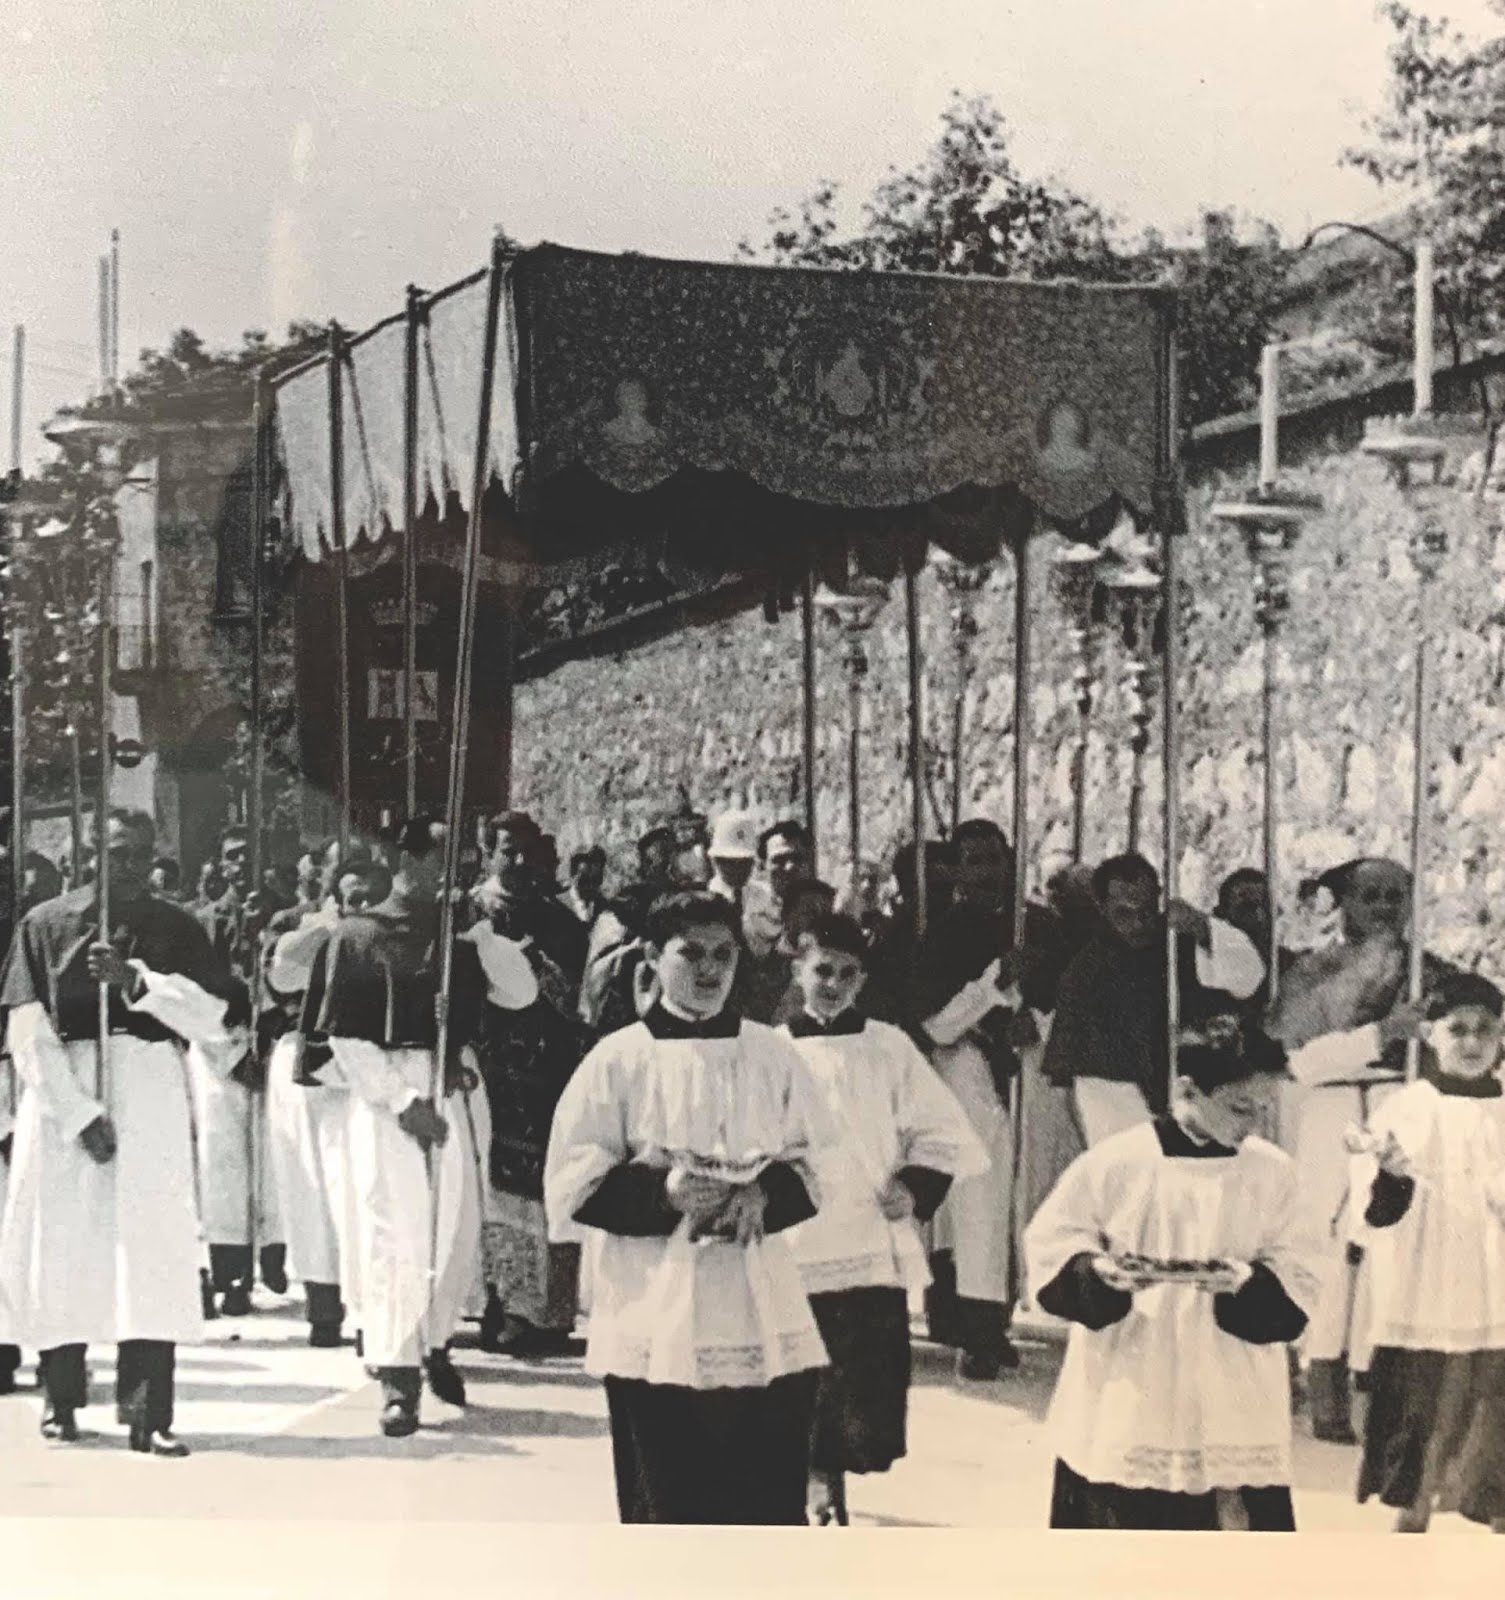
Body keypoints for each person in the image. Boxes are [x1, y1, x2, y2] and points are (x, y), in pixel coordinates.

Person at [544, 890, 829, 1524]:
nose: (709, 970)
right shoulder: (620, 1059)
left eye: (723, 955)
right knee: (667, 1499)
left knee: (760, 1500)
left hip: (756, 1305)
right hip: (655, 1307)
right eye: (690, 953)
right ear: (651, 956)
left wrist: (764, 1191)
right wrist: (660, 1194)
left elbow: (820, 1160)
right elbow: (571, 1179)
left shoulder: (772, 1054)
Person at [0, 809, 243, 1455]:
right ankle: (61, 1398)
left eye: (139, 853)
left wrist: (138, 982)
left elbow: (215, 1018)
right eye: (116, 854)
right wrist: (78, 1114)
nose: (130, 866)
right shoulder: (44, 923)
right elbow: (26, 1029)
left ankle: (147, 1412)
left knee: (151, 1247)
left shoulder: (176, 925)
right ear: (88, 856)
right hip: (65, 1087)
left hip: (149, 1080)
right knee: (65, 1243)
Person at [1024, 1015, 1322, 1530]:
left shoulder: (1273, 1172)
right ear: (1187, 1089)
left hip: (1232, 1380)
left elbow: (1303, 1265)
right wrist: (1097, 1274)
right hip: (1134, 1376)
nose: (1252, 1123)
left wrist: (1250, 1285)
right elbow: (1052, 1243)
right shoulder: (1119, 1162)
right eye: (1239, 1107)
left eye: (1263, 1109)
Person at [780, 912, 986, 1526]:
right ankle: (808, 1478)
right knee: (801, 1365)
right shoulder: (770, 1050)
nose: (833, 985)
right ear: (799, 970)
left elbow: (944, 1129)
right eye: (822, 971)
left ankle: (833, 1477)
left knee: (855, 1370)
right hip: (796, 1236)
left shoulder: (888, 1045)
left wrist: (916, 1185)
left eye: (847, 973)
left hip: (867, 1230)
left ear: (863, 978)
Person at [1267, 857, 1459, 1443]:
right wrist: (1379, 1036)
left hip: (1400, 1104)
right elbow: (1295, 1056)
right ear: (1344, 903)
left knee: (1396, 1237)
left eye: (1395, 895)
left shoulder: (1431, 973)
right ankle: (1321, 1377)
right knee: (1324, 1238)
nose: (1383, 906)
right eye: (1370, 895)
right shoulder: (1310, 971)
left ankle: (1382, 1379)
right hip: (1328, 1108)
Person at [304, 816, 486, 1437]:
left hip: (442, 1088)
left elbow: (483, 1014)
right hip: (387, 1100)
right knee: (394, 1232)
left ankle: (435, 1341)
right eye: (438, 859)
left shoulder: (453, 938)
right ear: (406, 861)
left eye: (459, 862)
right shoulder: (355, 936)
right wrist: (404, 1099)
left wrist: (454, 1057)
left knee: (451, 1228)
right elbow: (346, 1036)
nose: (449, 873)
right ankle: (397, 1375)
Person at [1355, 970, 1505, 1533]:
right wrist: (1391, 1177)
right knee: (1422, 1417)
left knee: (1495, 1419)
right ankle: (1408, 1536)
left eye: (1484, 1031)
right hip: (1430, 1287)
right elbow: (1375, 1210)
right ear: (1430, 1035)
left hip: (1499, 1289)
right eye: (1457, 1029)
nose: (1470, 1043)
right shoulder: (1406, 1108)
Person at [913, 820, 1062, 1378]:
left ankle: (1003, 1311)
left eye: (995, 859)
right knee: (978, 1198)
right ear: (956, 870)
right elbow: (936, 1021)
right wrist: (995, 985)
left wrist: (1037, 1019)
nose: (987, 873)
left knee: (1023, 1192)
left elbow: (1062, 996)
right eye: (974, 861)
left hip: (1029, 1069)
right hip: (967, 1070)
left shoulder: (1040, 924)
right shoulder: (945, 933)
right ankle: (977, 1325)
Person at [466, 812, 590, 1356]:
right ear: (487, 851)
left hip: (548, 1070)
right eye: (505, 851)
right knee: (495, 1184)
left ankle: (549, 1313)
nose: (516, 862)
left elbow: (575, 990)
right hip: (490, 1069)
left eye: (525, 853)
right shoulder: (473, 910)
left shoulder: (556, 918)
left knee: (549, 1182)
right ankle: (498, 1307)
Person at [1043, 853, 1266, 1146]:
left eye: (1146, 910)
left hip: (1192, 1095)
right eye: (1124, 913)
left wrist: (1202, 926)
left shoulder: (1179, 943)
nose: (1138, 923)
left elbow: (1249, 976)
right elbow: (1069, 1071)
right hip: (1115, 1099)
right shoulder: (1085, 972)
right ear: (1102, 907)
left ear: (1159, 897)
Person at [262, 848, 381, 1347]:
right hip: (304, 1065)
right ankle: (323, 1306)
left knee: (360, 1187)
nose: (360, 902)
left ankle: (366, 1308)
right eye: (350, 893)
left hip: (362, 1067)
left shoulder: (385, 936)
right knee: (310, 1188)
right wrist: (325, 928)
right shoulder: (301, 926)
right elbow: (280, 976)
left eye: (369, 895)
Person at [706, 812, 758, 912]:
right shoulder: (707, 899)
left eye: (745, 862)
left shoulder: (763, 896)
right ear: (716, 861)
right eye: (731, 863)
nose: (739, 870)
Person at [564, 846, 608, 930]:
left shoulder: (603, 907)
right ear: (573, 878)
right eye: (584, 881)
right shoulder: (558, 904)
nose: (590, 886)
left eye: (595, 881)